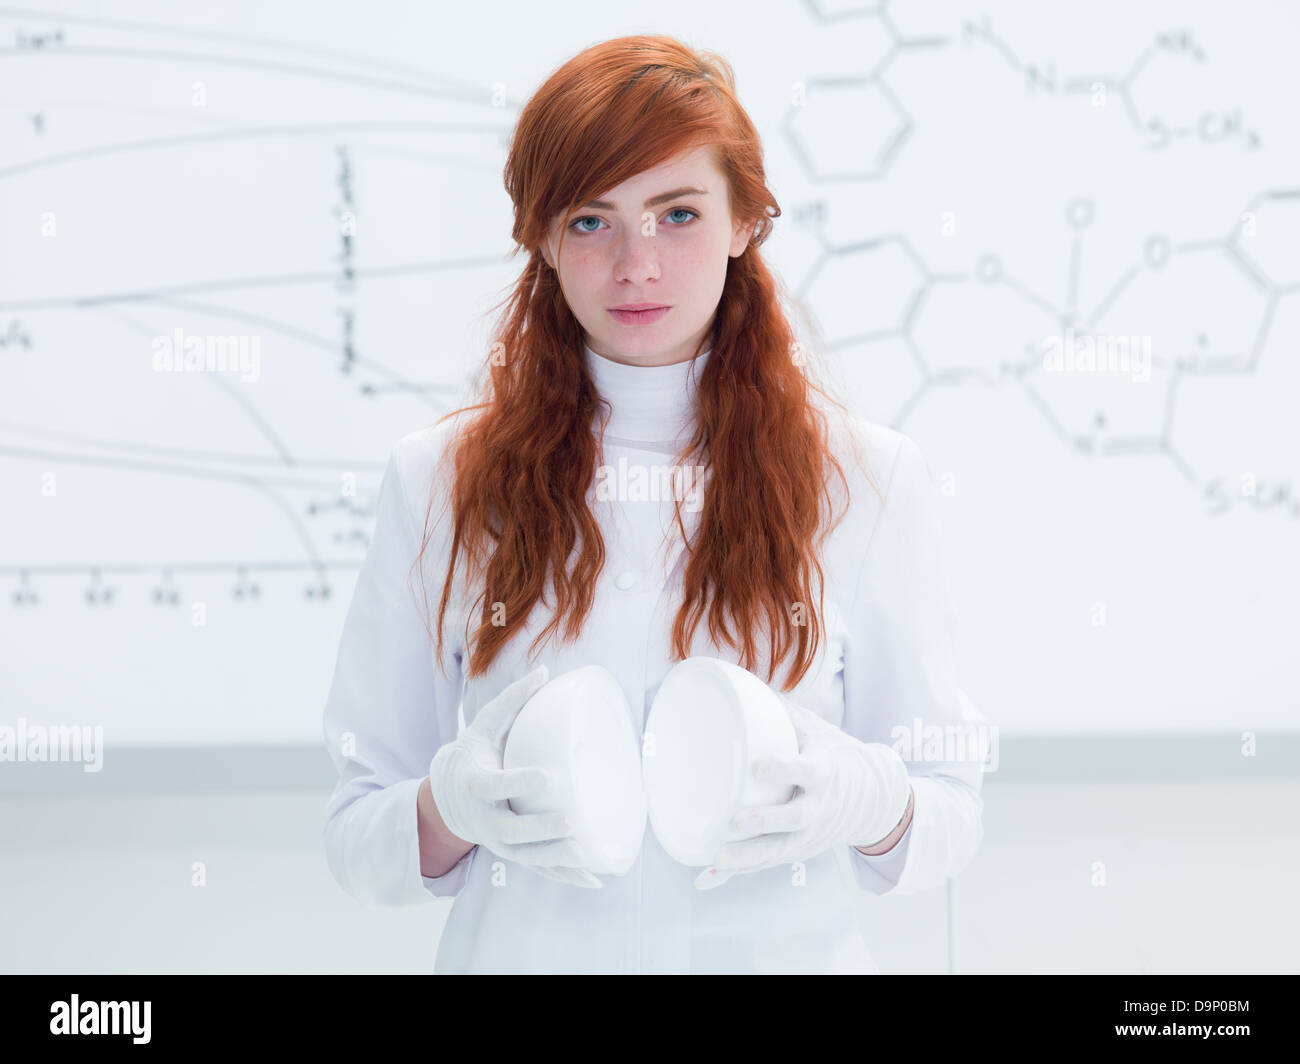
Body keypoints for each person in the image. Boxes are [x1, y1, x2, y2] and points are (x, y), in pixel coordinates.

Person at [321, 34, 986, 974]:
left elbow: (951, 814)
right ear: (543, 240)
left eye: (677, 214)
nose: (637, 264)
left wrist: (867, 798)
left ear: (747, 220)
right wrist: (449, 807)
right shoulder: (438, 481)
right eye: (592, 221)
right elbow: (357, 833)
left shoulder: (864, 482)